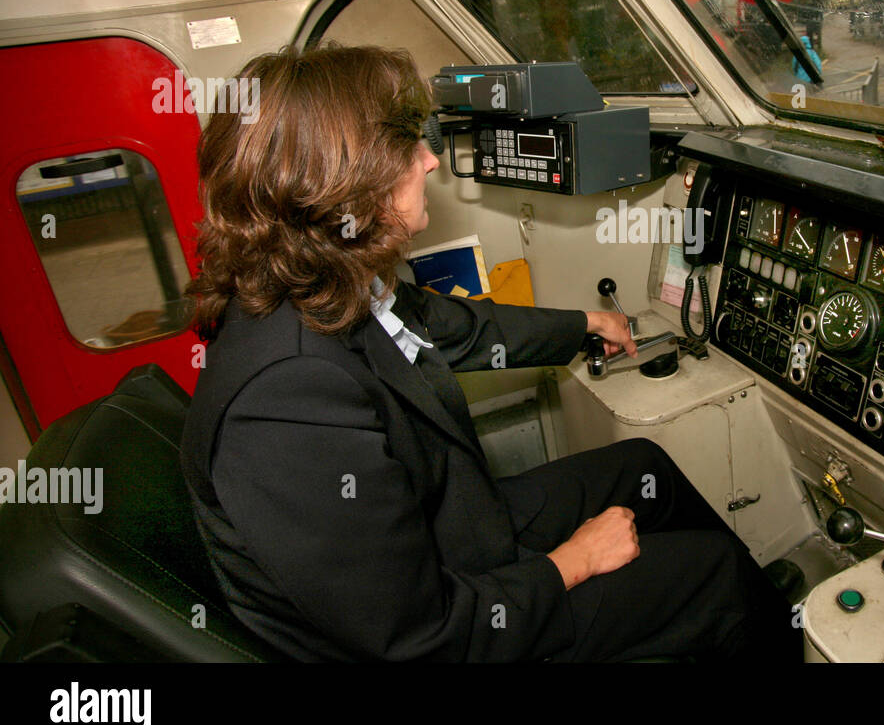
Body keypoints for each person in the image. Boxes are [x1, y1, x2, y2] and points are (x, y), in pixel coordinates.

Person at [179, 44, 801, 662]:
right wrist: (571, 564)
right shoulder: (285, 399)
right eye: (406, 149)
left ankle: (758, 605)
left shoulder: (323, 281)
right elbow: (420, 640)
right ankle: (764, 623)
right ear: (342, 188)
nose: (429, 162)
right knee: (711, 576)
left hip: (449, 532)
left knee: (645, 467)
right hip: (456, 628)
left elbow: (449, 325)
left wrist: (585, 323)